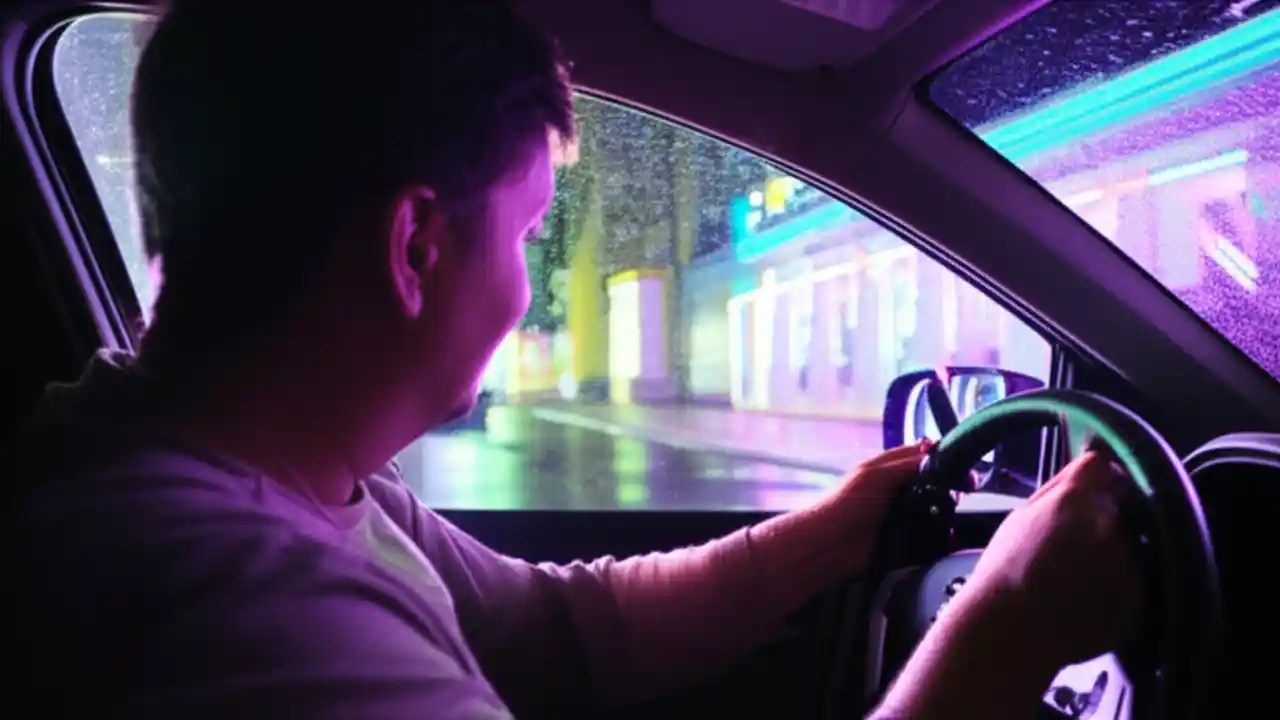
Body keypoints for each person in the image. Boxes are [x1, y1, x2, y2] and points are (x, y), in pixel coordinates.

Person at [14, 1, 1139, 717]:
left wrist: (838, 531)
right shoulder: (219, 599)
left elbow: (562, 637)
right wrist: (1003, 629)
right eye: (522, 233)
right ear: (415, 247)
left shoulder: (314, 481)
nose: (520, 289)